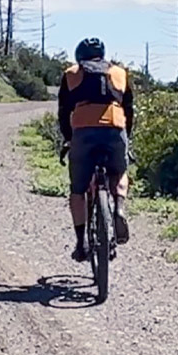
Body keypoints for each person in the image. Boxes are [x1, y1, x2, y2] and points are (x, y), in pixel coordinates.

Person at [57, 37, 135, 262]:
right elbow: (129, 110)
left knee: (78, 190)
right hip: (115, 128)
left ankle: (81, 242)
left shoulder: (72, 73)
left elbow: (64, 112)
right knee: (119, 173)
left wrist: (68, 139)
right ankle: (119, 207)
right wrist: (126, 140)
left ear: (79, 56)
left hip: (83, 130)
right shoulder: (119, 73)